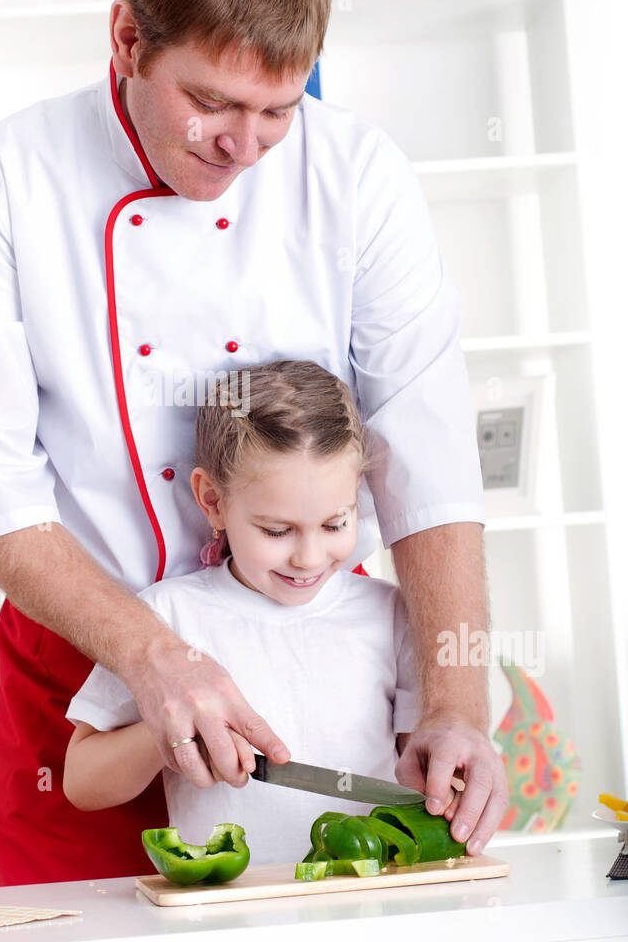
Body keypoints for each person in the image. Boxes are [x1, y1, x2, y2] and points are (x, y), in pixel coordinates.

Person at [0, 0, 507, 887]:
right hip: (82, 678)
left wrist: (452, 700)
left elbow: (429, 462)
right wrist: (155, 656)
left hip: (303, 665)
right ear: (125, 38)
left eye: (275, 110)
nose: (242, 145)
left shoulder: (357, 174)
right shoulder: (6, 179)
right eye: (210, 102)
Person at [63, 361, 440, 863]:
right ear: (213, 501)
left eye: (334, 524)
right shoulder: (166, 616)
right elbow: (81, 782)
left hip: (367, 896)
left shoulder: (388, 612)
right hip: (227, 907)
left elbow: (423, 770)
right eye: (277, 531)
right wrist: (172, 734)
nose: (308, 557)